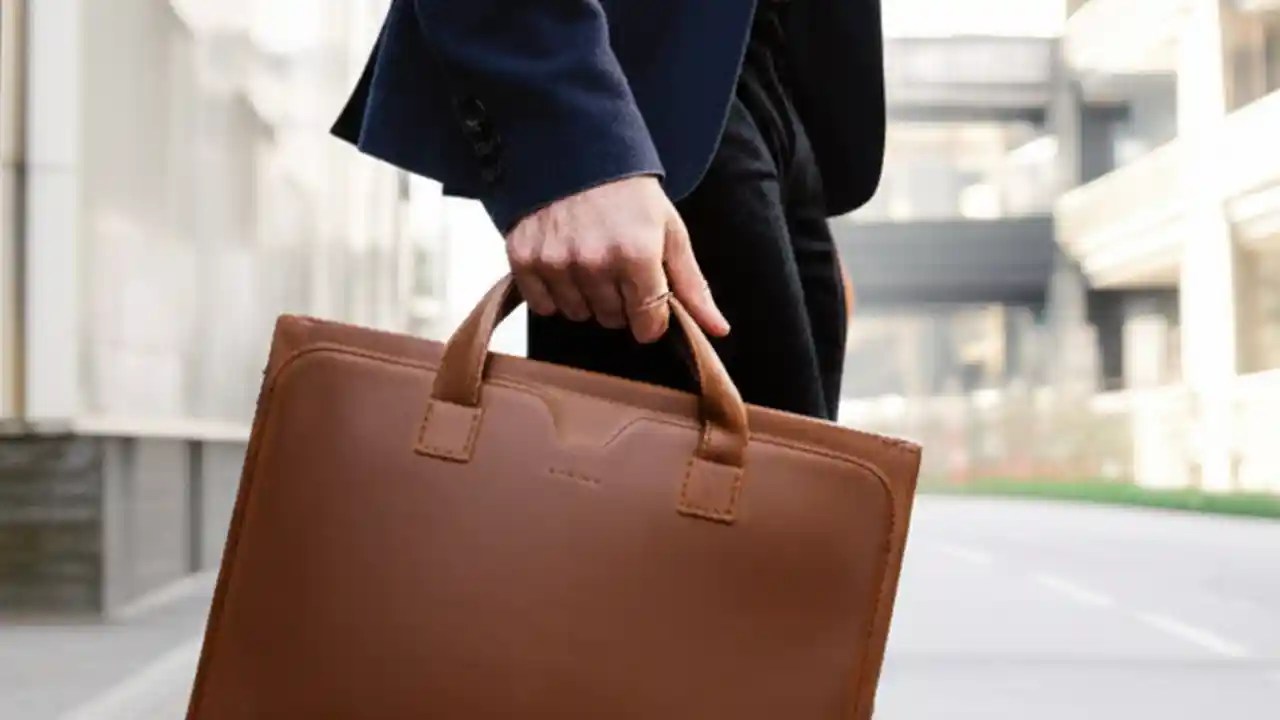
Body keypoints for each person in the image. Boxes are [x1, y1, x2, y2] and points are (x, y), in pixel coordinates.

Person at [332, 0, 885, 421]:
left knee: (787, 533)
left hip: (761, 84)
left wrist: (798, 205)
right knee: (729, 542)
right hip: (635, 96)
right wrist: (568, 140)